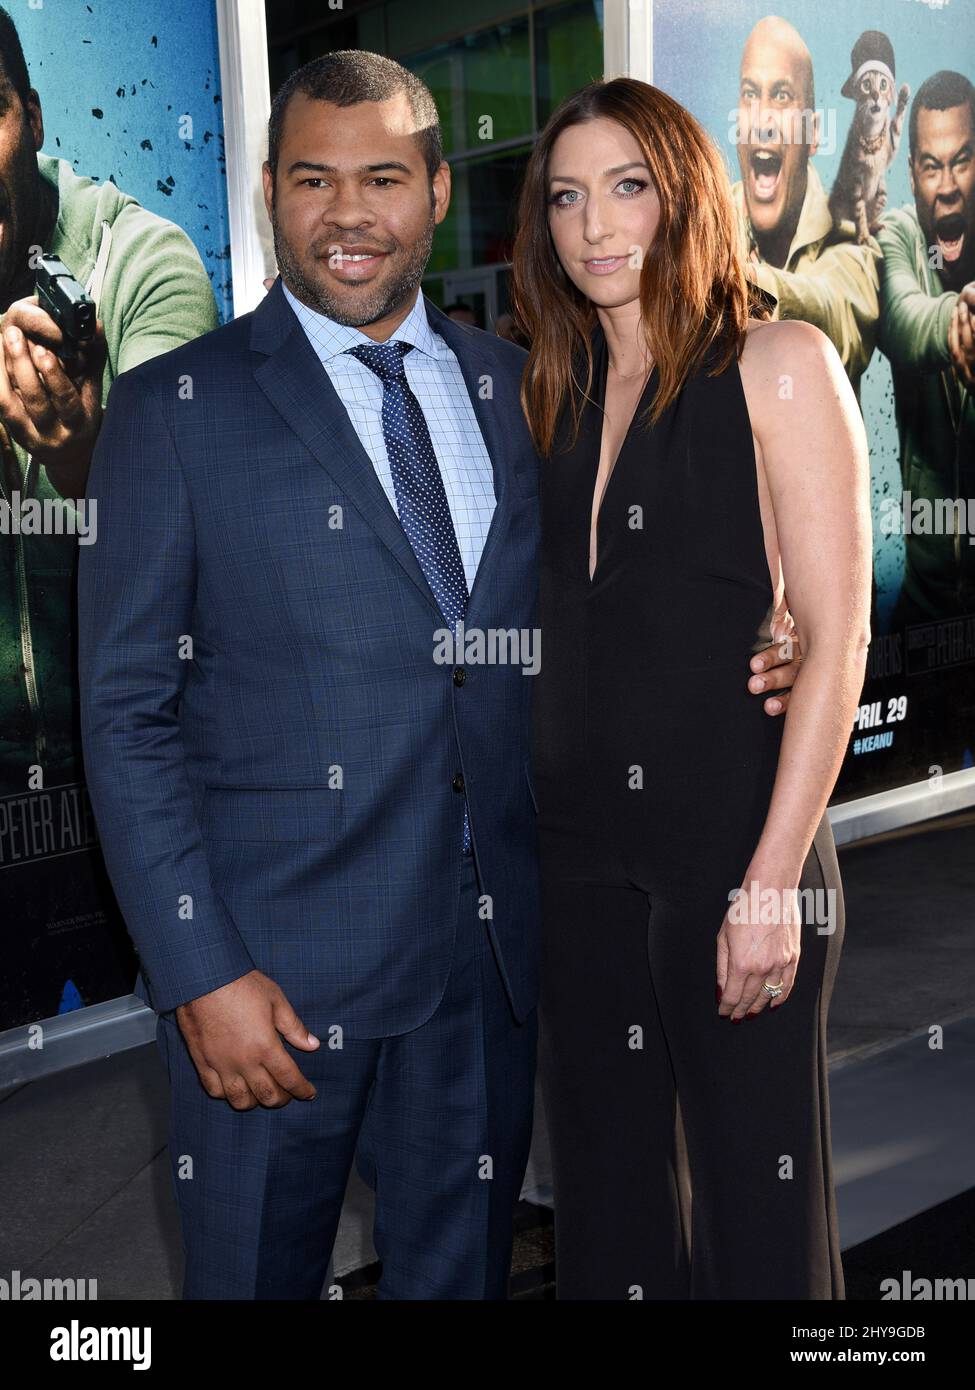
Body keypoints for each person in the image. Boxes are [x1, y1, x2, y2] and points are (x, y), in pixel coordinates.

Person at [78, 52, 802, 1301]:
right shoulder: (171, 411)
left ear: (432, 192)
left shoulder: (520, 383)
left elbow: (607, 598)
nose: (348, 214)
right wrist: (200, 971)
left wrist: (777, 623)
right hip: (272, 985)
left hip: (490, 980)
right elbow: (124, 714)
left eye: (382, 179)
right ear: (267, 192)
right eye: (313, 179)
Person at [512, 76, 871, 1299]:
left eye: (628, 188)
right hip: (578, 863)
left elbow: (832, 639)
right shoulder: (543, 393)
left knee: (762, 1232)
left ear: (684, 195)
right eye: (567, 197)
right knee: (610, 1227)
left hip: (734, 853)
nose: (596, 225)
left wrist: (773, 882)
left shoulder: (777, 362)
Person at [731, 15, 881, 404]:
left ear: (813, 133)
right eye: (751, 94)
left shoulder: (850, 235)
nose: (762, 121)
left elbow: (838, 318)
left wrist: (738, 281)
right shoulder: (700, 225)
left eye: (781, 96)